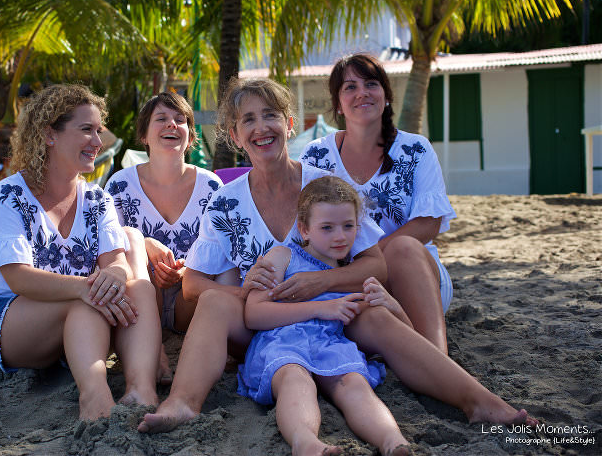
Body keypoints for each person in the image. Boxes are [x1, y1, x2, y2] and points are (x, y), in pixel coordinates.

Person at [139, 77, 536, 434]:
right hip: (263, 323)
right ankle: (183, 403)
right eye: (248, 120)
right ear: (235, 134)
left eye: (271, 116)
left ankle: (481, 403)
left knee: (376, 314)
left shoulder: (326, 185)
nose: (262, 128)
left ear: (289, 125)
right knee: (211, 302)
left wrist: (320, 282)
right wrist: (248, 295)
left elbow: (375, 263)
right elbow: (192, 283)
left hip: (332, 315)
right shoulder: (226, 202)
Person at [0, 84, 161, 421]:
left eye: (98, 131)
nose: (98, 142)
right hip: (3, 318)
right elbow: (17, 278)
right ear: (48, 135)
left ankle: (141, 389)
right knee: (85, 302)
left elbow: (114, 260)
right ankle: (95, 398)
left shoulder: (97, 200)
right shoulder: (9, 195)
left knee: (137, 286)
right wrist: (87, 289)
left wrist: (115, 273)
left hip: (79, 313)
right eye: (86, 130)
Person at [240, 175, 410, 456]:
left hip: (331, 344)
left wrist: (394, 306)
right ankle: (306, 443)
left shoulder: (353, 275)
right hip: (282, 344)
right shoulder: (283, 257)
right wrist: (321, 308)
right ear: (304, 229)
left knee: (354, 384)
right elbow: (253, 314)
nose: (340, 236)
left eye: (348, 226)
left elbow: (405, 337)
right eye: (327, 228)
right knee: (296, 380)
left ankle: (392, 440)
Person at [300, 54, 455, 353]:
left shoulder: (414, 149)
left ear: (385, 95)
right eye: (349, 87)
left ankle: (438, 359)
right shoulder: (316, 156)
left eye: (371, 83)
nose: (362, 93)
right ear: (338, 103)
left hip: (411, 279)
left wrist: (367, 261)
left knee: (404, 246)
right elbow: (303, 222)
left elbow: (429, 222)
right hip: (340, 281)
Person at [105, 92, 224, 384]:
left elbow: (222, 251)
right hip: (140, 303)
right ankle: (151, 352)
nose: (172, 125)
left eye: (180, 120)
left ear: (191, 135)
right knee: (134, 258)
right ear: (144, 135)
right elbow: (107, 248)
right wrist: (145, 245)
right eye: (161, 119)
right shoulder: (120, 185)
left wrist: (189, 271)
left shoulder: (212, 185)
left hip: (191, 303)